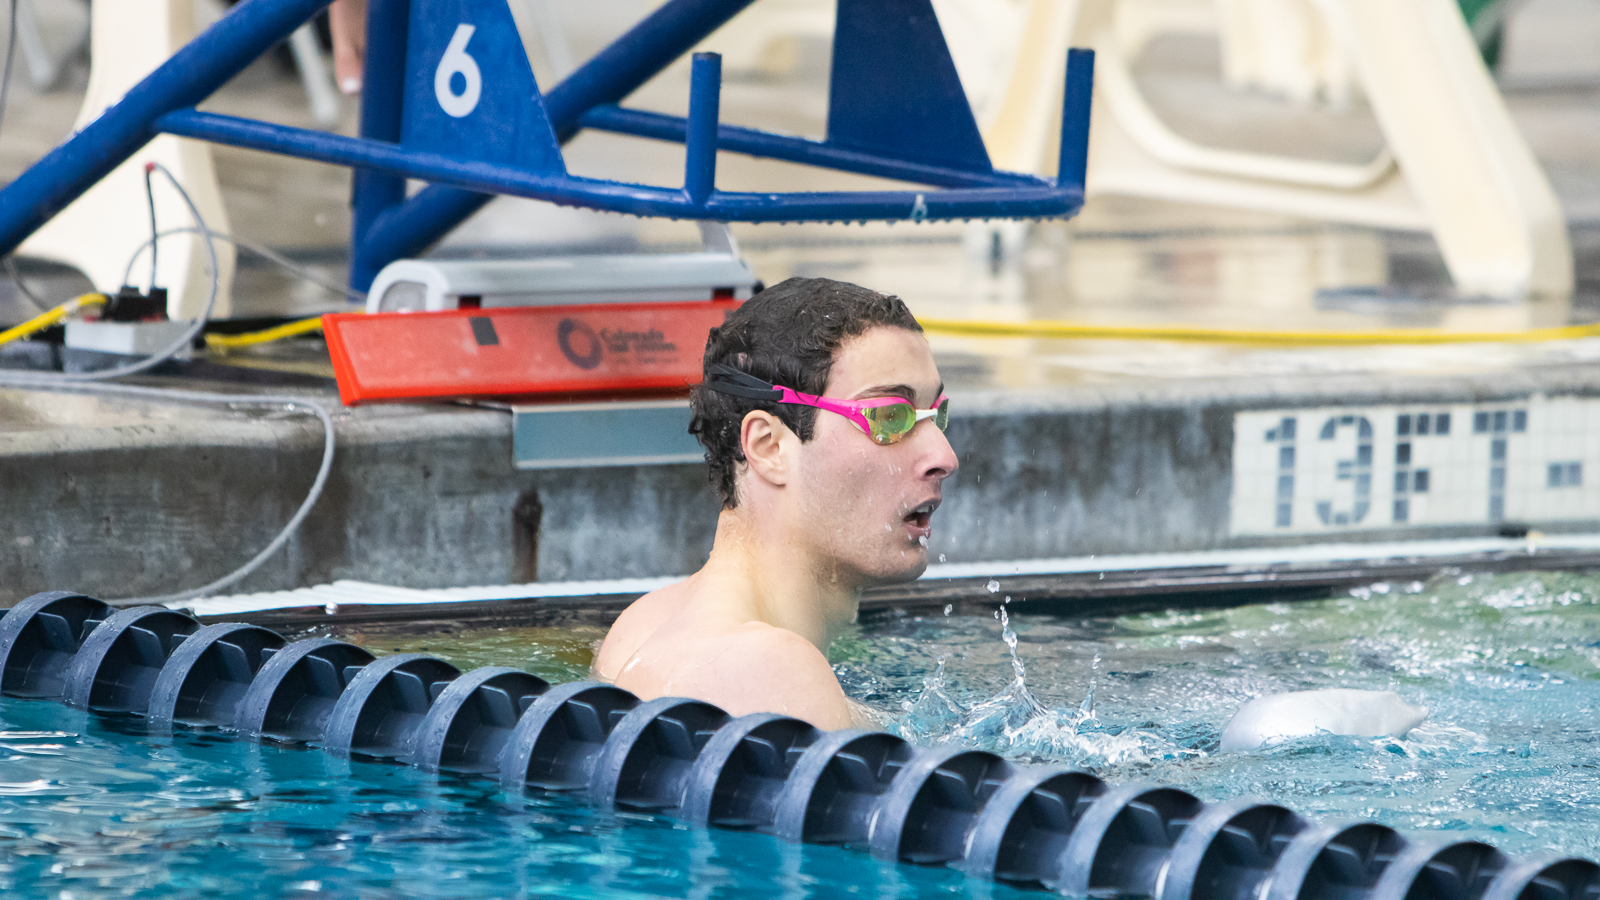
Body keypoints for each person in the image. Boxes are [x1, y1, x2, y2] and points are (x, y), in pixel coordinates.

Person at [592, 277, 958, 729]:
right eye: (888, 417)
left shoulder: (643, 623)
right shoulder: (770, 673)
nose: (944, 457)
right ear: (768, 447)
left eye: (935, 414)